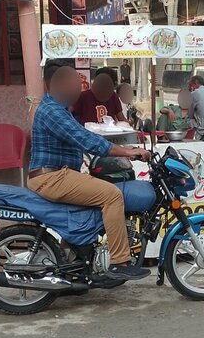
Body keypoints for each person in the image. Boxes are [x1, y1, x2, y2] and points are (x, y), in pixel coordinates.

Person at [28, 60, 151, 282]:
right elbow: (85, 139)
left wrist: (122, 149)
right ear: (58, 86)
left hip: (58, 174)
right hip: (52, 177)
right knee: (112, 195)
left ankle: (73, 266)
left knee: (84, 212)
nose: (79, 90)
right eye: (75, 86)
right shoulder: (52, 112)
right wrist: (126, 152)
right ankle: (120, 262)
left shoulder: (59, 110)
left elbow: (85, 135)